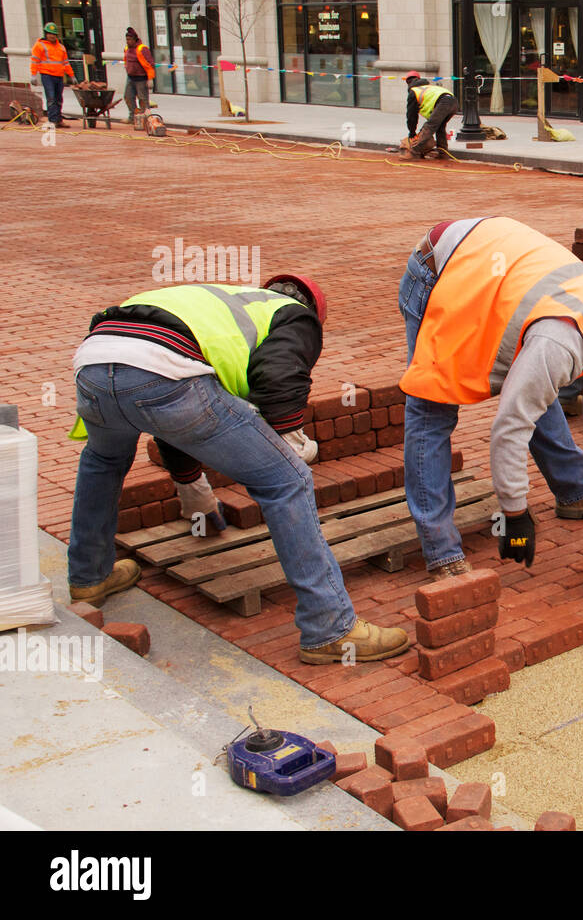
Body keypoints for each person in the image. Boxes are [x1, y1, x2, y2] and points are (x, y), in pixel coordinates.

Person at [66, 277, 410, 665]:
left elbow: (160, 409)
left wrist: (190, 486)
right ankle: (330, 627)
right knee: (287, 481)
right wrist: (290, 443)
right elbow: (280, 377)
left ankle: (89, 579)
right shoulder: (295, 317)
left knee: (104, 462)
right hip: (162, 373)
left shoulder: (225, 300)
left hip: (94, 366)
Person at [399, 217, 583, 581]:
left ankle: (575, 492)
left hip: (504, 272)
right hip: (442, 270)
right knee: (433, 408)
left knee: (534, 384)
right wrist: (515, 514)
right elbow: (509, 428)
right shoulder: (562, 341)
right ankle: (441, 549)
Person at [402, 72, 458, 159]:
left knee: (429, 126)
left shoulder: (414, 92)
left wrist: (412, 133)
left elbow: (411, 116)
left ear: (408, 83)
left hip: (443, 102)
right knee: (439, 127)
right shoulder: (429, 87)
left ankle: (413, 152)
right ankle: (443, 153)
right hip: (453, 102)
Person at [31, 22, 75, 129]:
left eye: (54, 34)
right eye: (50, 33)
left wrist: (72, 76)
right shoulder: (39, 45)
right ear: (46, 34)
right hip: (47, 76)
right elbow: (34, 61)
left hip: (59, 76)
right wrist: (33, 75)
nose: (52, 36)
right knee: (51, 98)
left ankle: (58, 120)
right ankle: (52, 121)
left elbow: (66, 63)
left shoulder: (61, 47)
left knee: (59, 99)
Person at [123, 28, 154, 127]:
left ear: (135, 39)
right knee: (128, 97)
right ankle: (133, 117)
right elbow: (125, 60)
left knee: (143, 99)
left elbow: (150, 64)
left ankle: (147, 119)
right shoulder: (126, 49)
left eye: (129, 39)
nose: (128, 42)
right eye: (127, 39)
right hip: (131, 77)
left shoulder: (142, 49)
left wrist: (150, 78)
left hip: (141, 78)